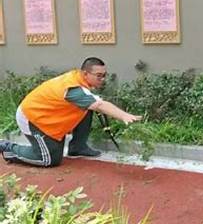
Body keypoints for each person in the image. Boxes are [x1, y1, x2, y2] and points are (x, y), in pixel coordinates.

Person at [0, 57, 142, 167]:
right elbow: (100, 105)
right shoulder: (74, 89)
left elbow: (94, 104)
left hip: (51, 117)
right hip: (33, 118)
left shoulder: (79, 80)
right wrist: (124, 115)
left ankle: (78, 147)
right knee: (48, 159)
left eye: (104, 75)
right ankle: (9, 148)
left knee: (88, 106)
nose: (103, 79)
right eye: (99, 75)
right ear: (85, 73)